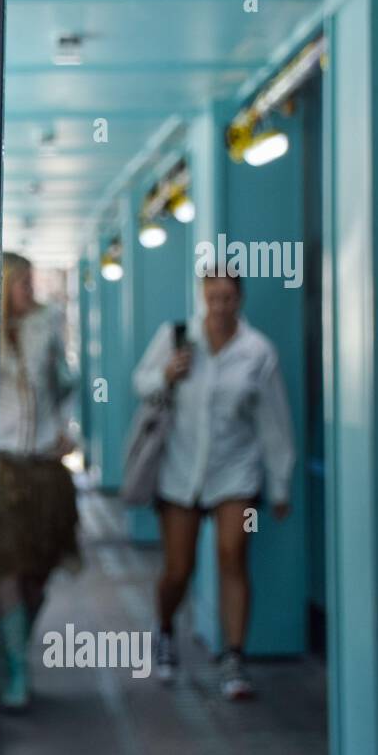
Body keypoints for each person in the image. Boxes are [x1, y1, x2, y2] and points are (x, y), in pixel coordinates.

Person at [132, 264, 294, 700]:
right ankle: (165, 630)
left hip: (235, 472)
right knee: (178, 570)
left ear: (240, 298)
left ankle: (234, 659)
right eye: (213, 297)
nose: (220, 306)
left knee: (232, 554)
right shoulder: (178, 336)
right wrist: (166, 374)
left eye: (228, 298)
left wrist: (280, 484)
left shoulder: (258, 352)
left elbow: (274, 422)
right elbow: (140, 383)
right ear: (203, 295)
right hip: (180, 472)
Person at [0, 252, 79, 710]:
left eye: (32, 281)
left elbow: (66, 383)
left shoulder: (48, 322)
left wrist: (67, 428)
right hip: (2, 467)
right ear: (4, 284)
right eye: (23, 281)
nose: (31, 290)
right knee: (6, 572)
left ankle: (17, 648)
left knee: (39, 573)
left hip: (46, 466)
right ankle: (16, 669)